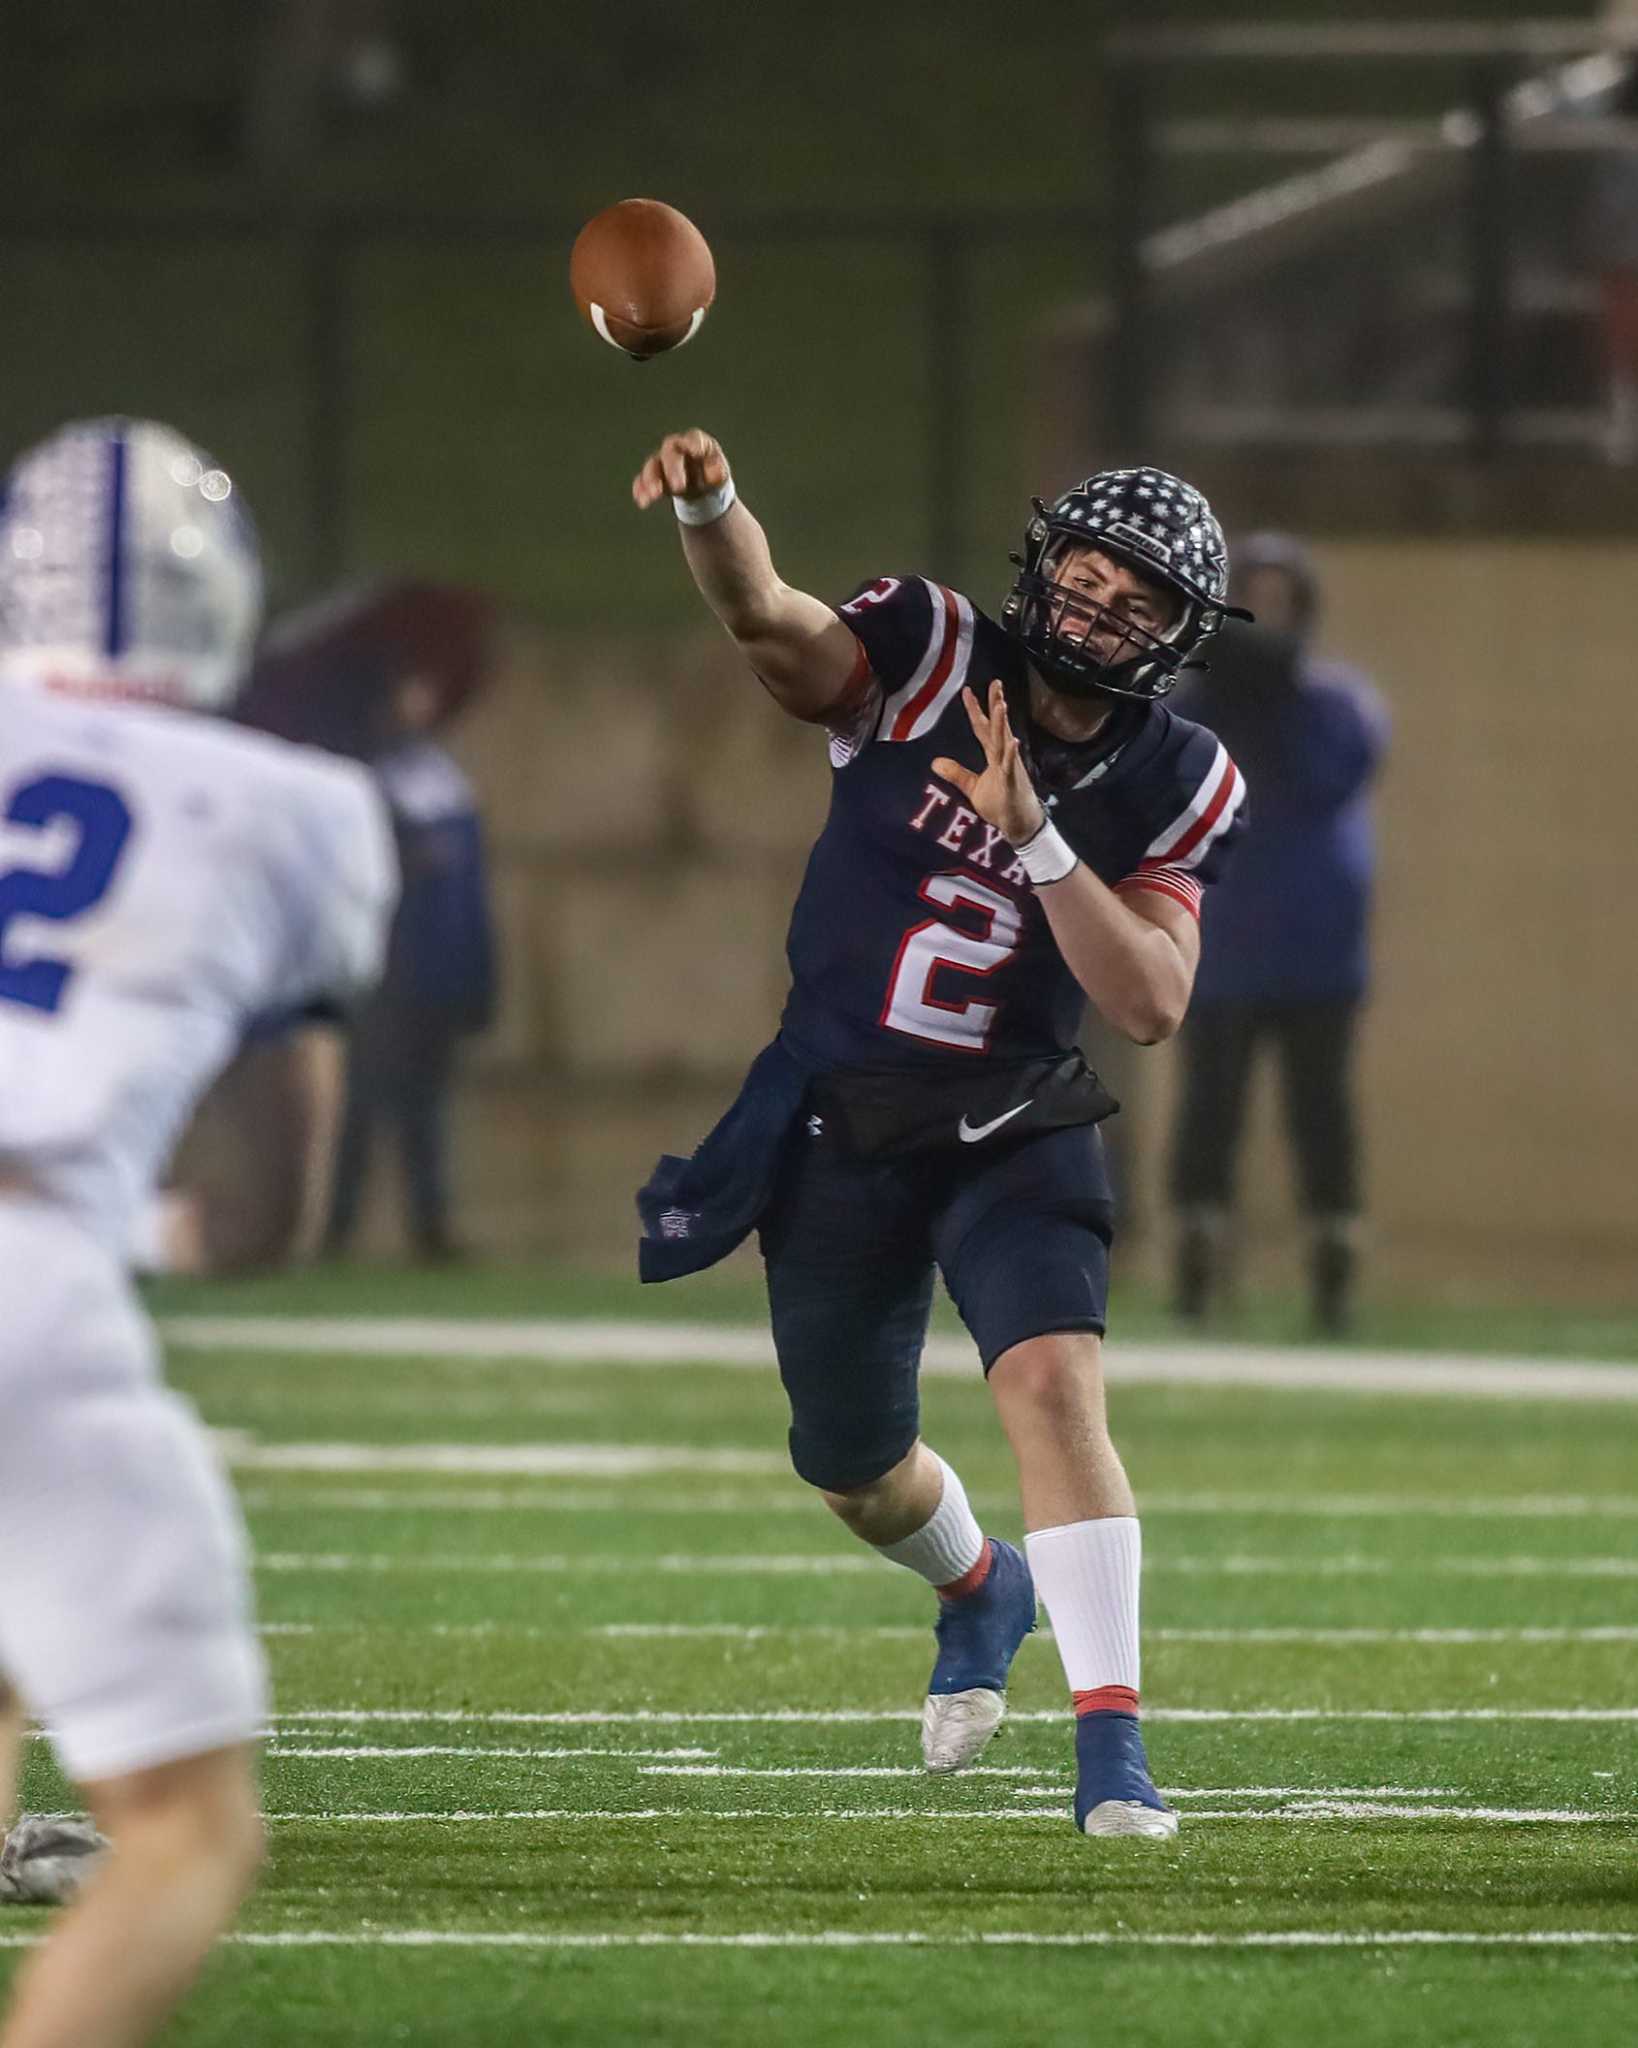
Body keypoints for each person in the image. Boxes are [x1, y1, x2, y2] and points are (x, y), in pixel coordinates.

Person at [634, 430, 1246, 1840]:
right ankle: (980, 1586)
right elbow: (765, 618)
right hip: (840, 1113)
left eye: (1133, 600)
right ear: (1041, 569)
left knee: (1050, 1389)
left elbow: (1148, 1002)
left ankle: (1113, 1759)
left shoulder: (1180, 775)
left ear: (1174, 640)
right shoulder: (925, 649)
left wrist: (1036, 837)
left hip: (1014, 1118)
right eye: (1083, 578)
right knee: (849, 1463)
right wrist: (715, 507)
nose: (1094, 611)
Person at [0, 418, 397, 2047]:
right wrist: (202, 1236)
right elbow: (267, 1202)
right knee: (187, 1824)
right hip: (27, 1264)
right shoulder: (293, 809)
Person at [240, 581, 499, 1263]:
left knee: (426, 1114)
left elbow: (470, 896)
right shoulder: (355, 781)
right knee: (358, 1110)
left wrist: (479, 977)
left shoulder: (443, 779)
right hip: (385, 972)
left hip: (437, 975)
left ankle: (432, 1227)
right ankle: (334, 1228)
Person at [1169, 534, 1388, 1335]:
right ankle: (1198, 1258)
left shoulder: (1336, 706)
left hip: (1317, 953)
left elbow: (1340, 773)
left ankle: (1334, 1265)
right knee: (1210, 1110)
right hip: (1223, 946)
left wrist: (1274, 684)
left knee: (1320, 1113)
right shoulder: (1196, 711)